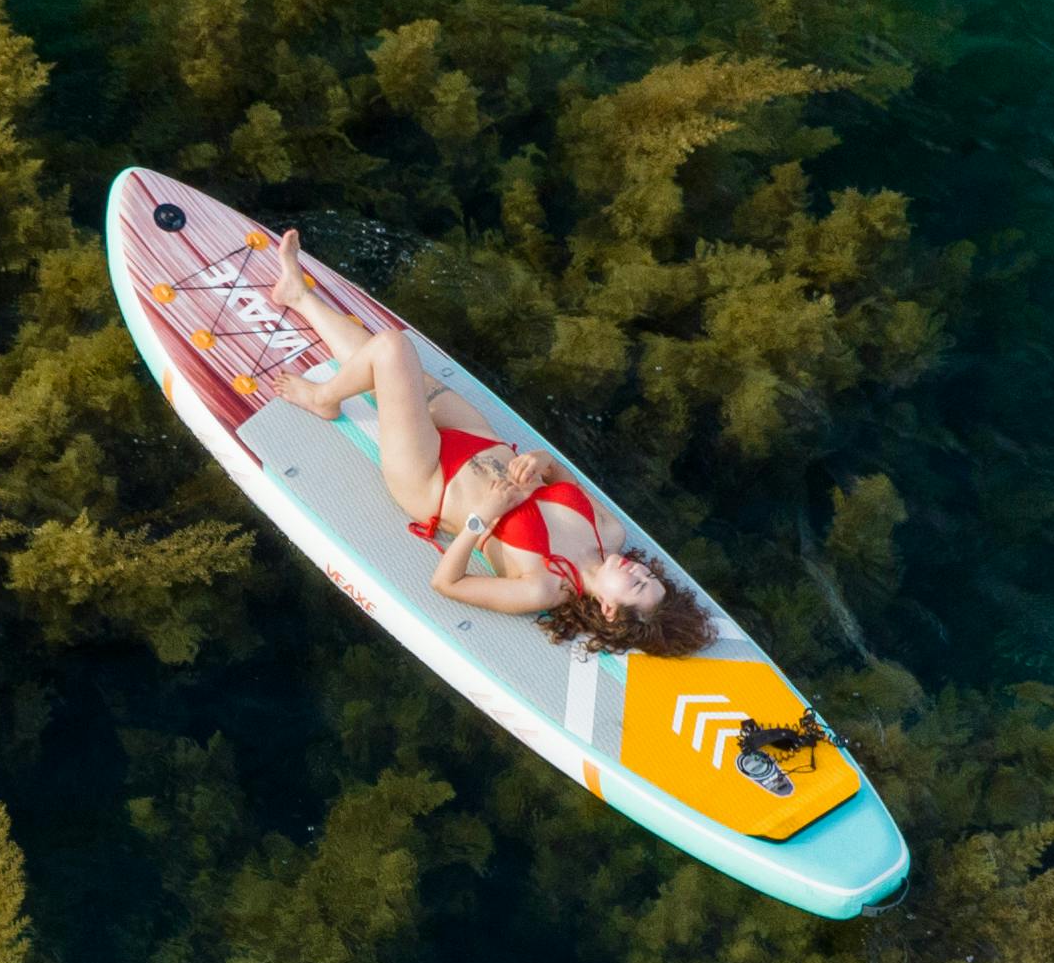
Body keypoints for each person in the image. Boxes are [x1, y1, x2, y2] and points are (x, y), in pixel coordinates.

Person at [265, 232, 717, 660]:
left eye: (637, 585)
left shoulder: (543, 588)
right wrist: (538, 461)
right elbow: (557, 472)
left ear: (610, 610)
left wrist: (484, 517)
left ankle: (323, 399)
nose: (638, 570)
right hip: (480, 440)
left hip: (431, 480)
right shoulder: (610, 532)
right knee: (399, 372)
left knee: (392, 350)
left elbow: (448, 583)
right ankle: (298, 296)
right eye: (648, 574)